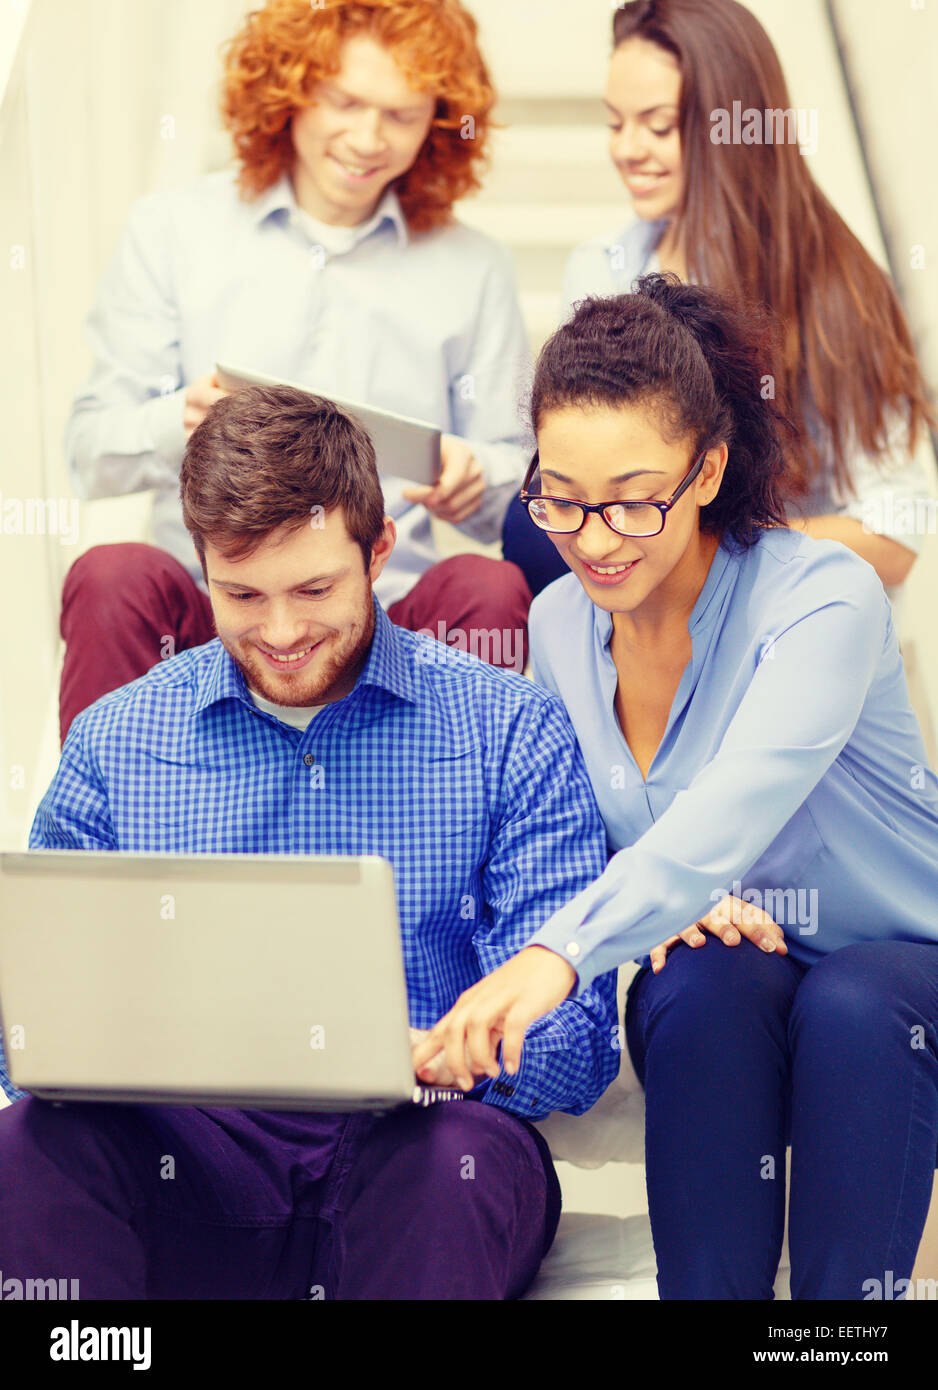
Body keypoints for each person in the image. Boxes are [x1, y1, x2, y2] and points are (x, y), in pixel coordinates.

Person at [0, 385, 619, 1300]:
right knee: (29, 1150)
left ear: (377, 552)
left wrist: (471, 1046)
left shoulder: (507, 729)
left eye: (314, 589)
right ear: (201, 565)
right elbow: (25, 1020)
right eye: (241, 594)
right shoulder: (118, 740)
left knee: (457, 1166)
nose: (281, 634)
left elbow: (579, 1039)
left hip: (417, 1142)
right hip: (193, 1156)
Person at [415, 275, 938, 1301]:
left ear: (705, 471)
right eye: (558, 496)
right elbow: (598, 829)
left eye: (631, 499)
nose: (594, 536)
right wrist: (673, 900)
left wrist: (557, 952)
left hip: (903, 963)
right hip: (736, 964)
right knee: (696, 990)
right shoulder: (560, 623)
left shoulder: (819, 596)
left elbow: (738, 798)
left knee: (850, 1006)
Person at [60, 0, 533, 744]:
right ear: (290, 90)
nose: (369, 139)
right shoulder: (174, 229)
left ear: (438, 122)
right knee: (112, 574)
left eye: (402, 115)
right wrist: (172, 423)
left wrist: (480, 479)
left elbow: (524, 481)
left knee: (489, 584)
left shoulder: (473, 268)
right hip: (215, 603)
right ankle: (102, 847)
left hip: (381, 618)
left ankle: (467, 830)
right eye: (345, 102)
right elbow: (90, 448)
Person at [503, 0, 936, 600]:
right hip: (642, 608)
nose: (628, 149)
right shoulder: (600, 268)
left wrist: (717, 538)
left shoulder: (834, 284)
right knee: (521, 533)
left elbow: (895, 533)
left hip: (767, 603)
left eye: (658, 125)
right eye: (614, 122)